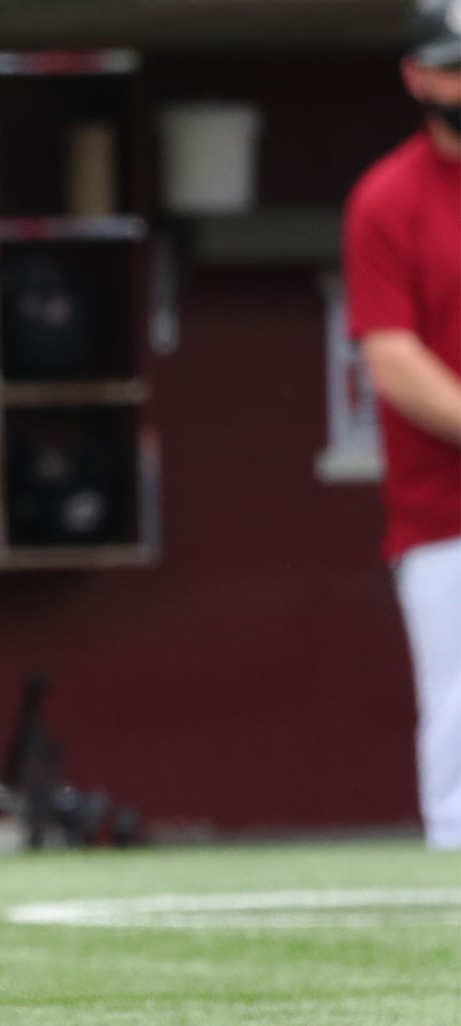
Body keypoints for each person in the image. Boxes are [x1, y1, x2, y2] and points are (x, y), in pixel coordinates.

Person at [344, 0, 461, 852]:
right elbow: (393, 359)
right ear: (416, 76)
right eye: (451, 64)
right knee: (458, 716)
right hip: (443, 514)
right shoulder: (388, 197)